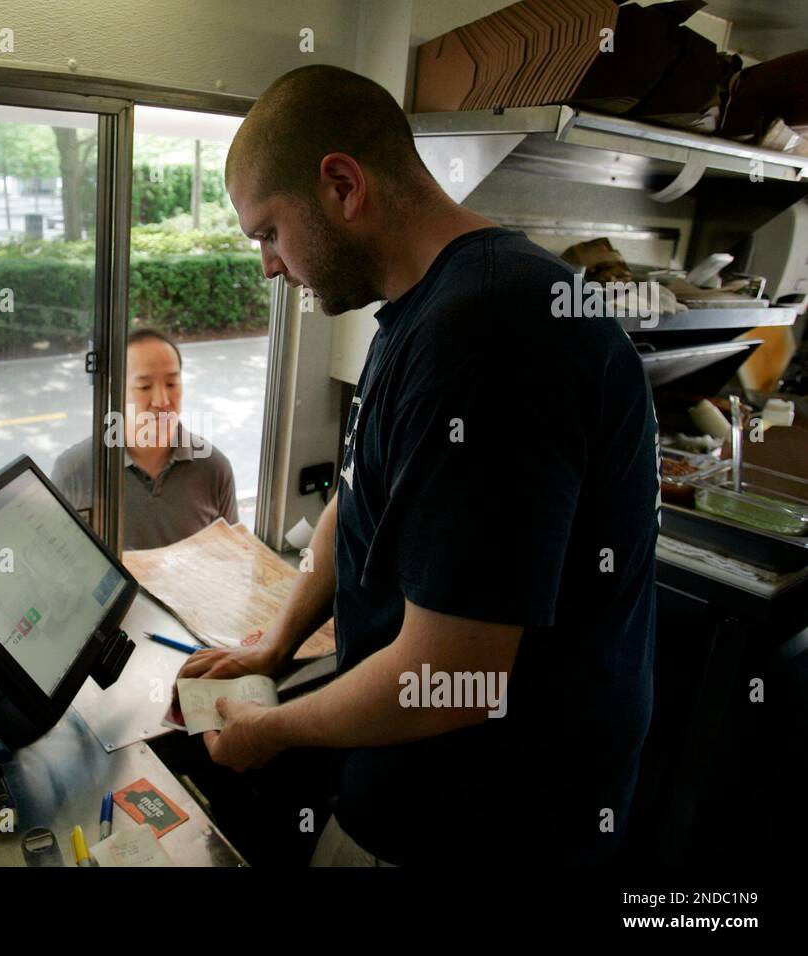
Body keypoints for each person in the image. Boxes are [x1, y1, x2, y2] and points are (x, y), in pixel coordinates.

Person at [176, 65, 658, 866]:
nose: (267, 264)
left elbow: (455, 671)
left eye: (267, 231)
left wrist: (274, 727)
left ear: (341, 185)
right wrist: (275, 645)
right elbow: (358, 496)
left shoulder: (492, 335)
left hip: (490, 820)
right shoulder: (425, 309)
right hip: (420, 778)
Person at [51, 328, 238, 551]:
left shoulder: (214, 469)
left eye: (172, 384)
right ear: (115, 391)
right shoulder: (74, 471)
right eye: (144, 387)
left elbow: (230, 561)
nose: (162, 400)